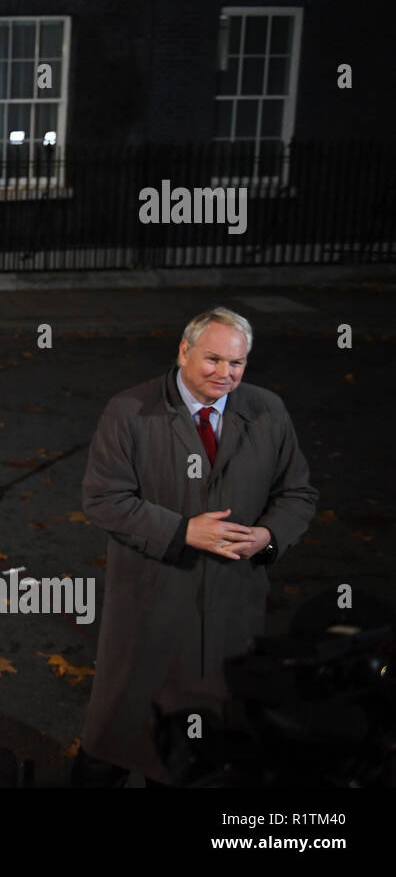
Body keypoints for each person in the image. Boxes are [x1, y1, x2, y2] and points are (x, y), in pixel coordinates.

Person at [76, 307, 317, 784]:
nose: (225, 375)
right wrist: (183, 532)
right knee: (116, 740)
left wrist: (269, 536)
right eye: (213, 360)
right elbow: (103, 499)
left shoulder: (268, 410)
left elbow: (298, 493)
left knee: (197, 754)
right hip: (151, 606)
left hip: (231, 608)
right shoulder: (129, 410)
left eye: (237, 364)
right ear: (183, 351)